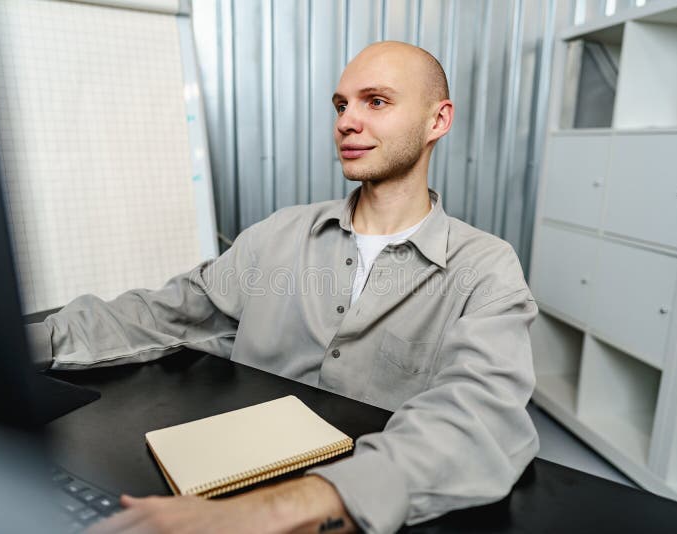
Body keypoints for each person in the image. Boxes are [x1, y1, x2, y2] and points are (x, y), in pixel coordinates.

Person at [29, 41, 539, 534]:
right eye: (341, 105)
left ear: (438, 120)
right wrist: (10, 346)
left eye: (376, 101)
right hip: (225, 481)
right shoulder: (281, 234)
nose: (346, 121)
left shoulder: (485, 268)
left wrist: (274, 514)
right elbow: (167, 312)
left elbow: (480, 417)